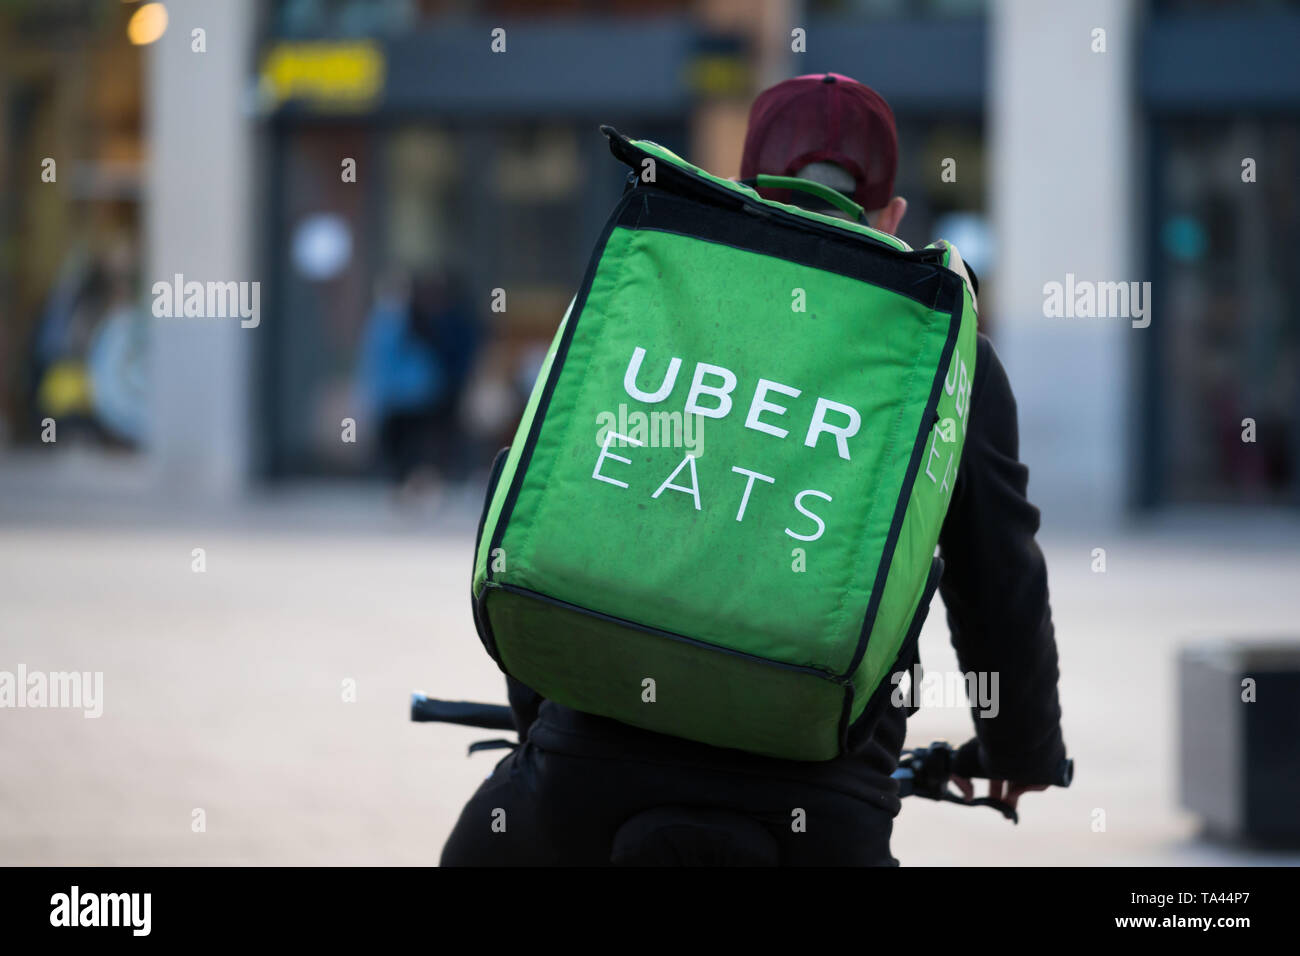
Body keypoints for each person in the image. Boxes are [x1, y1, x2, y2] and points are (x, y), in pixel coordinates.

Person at [442, 73, 1068, 866]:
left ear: (745, 183)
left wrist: (538, 707)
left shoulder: (665, 286)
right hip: (822, 804)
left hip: (583, 780)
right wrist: (1021, 751)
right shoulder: (945, 351)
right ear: (891, 213)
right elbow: (999, 581)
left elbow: (542, 485)